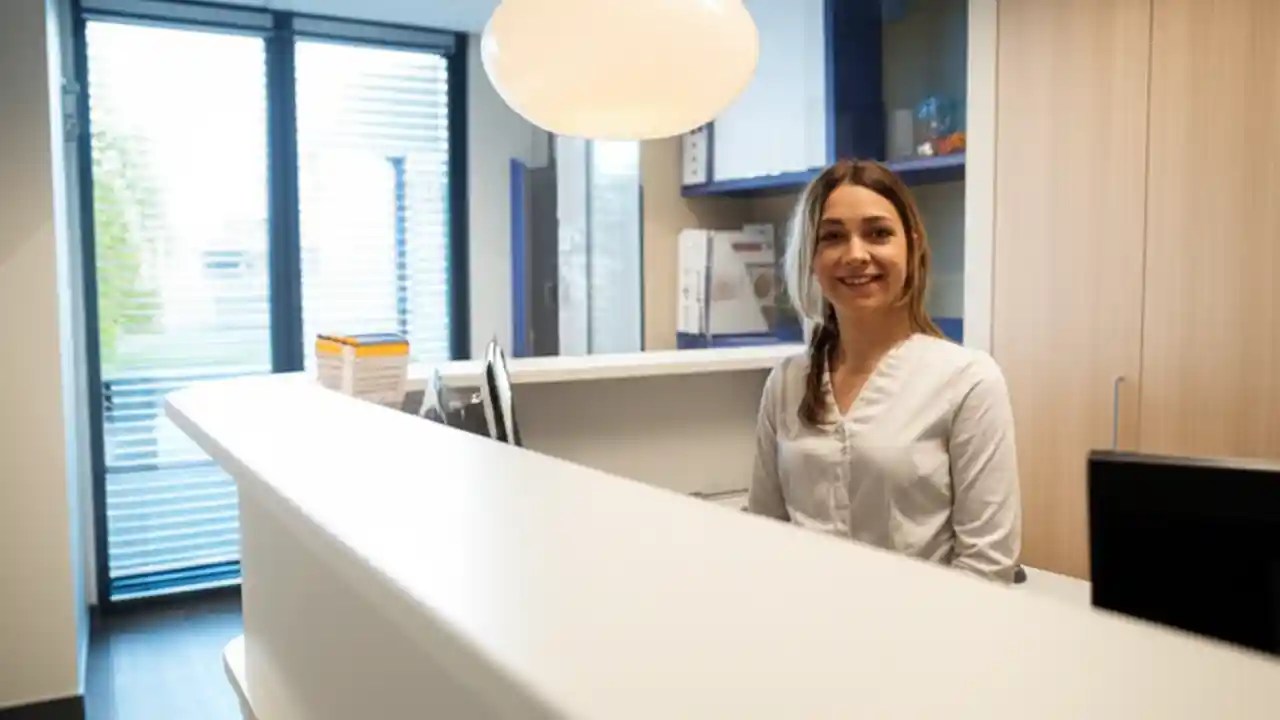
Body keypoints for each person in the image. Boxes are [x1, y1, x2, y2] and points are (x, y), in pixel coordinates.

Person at [748, 159, 1021, 582]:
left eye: (878, 233)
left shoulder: (968, 381)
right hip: (804, 628)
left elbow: (988, 565)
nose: (856, 255)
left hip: (921, 634)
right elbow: (763, 532)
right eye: (833, 236)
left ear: (910, 248)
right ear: (811, 258)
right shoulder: (786, 382)